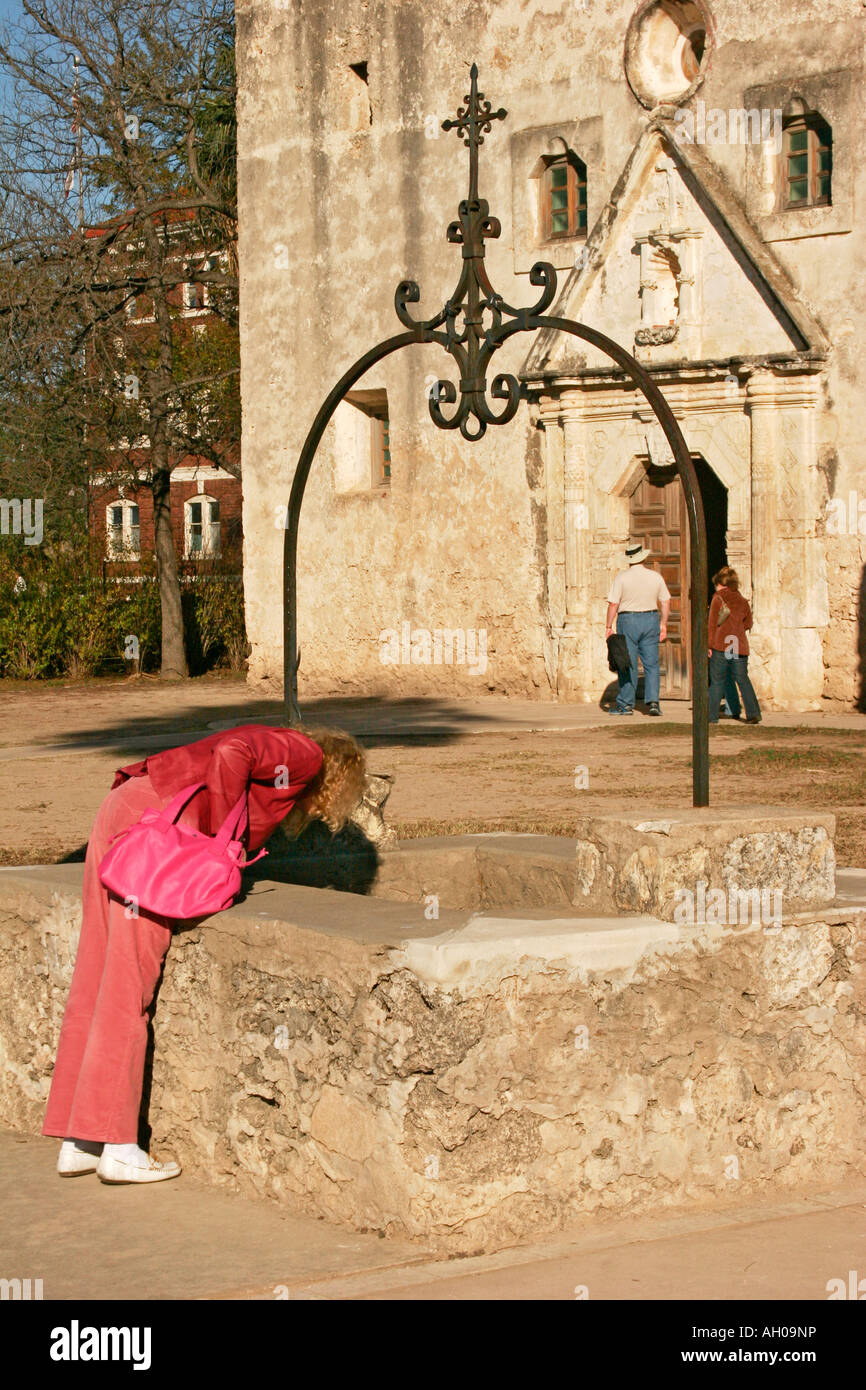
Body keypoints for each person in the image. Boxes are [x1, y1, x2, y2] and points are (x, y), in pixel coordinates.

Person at [42, 723, 367, 1185]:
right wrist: (222, 843)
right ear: (338, 776)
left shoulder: (290, 750)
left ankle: (80, 1140)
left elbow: (231, 753)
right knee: (128, 987)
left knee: (97, 970)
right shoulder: (307, 756)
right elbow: (234, 751)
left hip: (128, 807)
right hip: (154, 830)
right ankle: (118, 1146)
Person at [605, 541, 671, 716]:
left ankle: (626, 704)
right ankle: (654, 703)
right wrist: (663, 623)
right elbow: (665, 601)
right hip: (650, 618)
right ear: (643, 557)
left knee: (628, 663)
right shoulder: (655, 577)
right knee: (651, 664)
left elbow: (613, 604)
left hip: (628, 620)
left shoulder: (622, 578)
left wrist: (608, 626)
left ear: (629, 559)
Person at [707, 567, 761, 724]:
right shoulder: (743, 601)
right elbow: (748, 623)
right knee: (742, 678)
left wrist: (709, 645)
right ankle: (753, 713)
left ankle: (711, 716)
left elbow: (711, 625)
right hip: (737, 643)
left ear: (720, 583)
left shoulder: (717, 598)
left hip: (721, 644)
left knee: (717, 680)